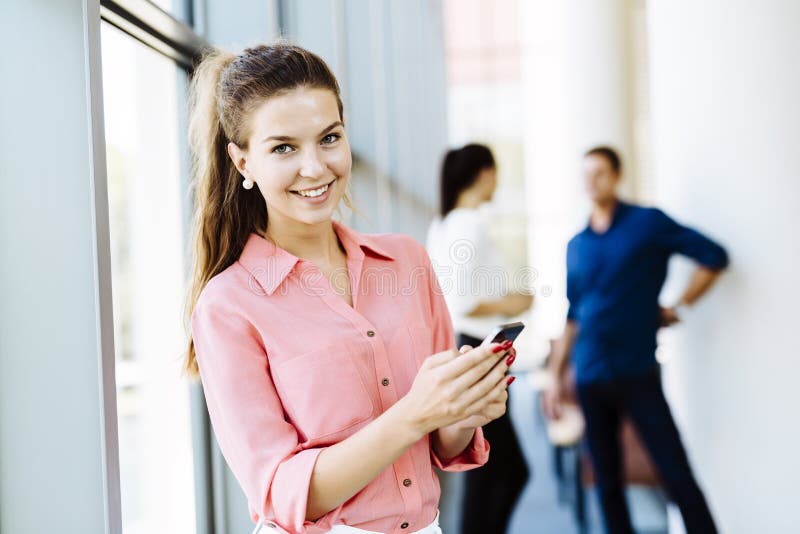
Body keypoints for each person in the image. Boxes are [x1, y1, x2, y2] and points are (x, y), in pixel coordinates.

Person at [184, 43, 518, 534]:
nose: (316, 167)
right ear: (242, 163)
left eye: (329, 138)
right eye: (283, 148)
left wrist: (464, 411)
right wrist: (415, 412)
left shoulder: (407, 261)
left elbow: (441, 447)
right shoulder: (228, 306)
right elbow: (281, 494)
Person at [542, 146, 728, 534]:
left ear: (617, 176)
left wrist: (680, 305)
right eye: (585, 175)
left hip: (637, 373)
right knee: (607, 485)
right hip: (590, 377)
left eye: (600, 173)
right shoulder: (576, 245)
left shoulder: (647, 224)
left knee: (675, 474)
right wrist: (555, 375)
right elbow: (573, 314)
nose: (592, 182)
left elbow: (714, 256)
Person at [426, 144, 531, 534]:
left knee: (488, 467)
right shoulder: (470, 224)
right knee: (505, 469)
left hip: (467, 344)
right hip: (480, 345)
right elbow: (463, 300)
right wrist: (518, 300)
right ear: (484, 173)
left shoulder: (444, 224)